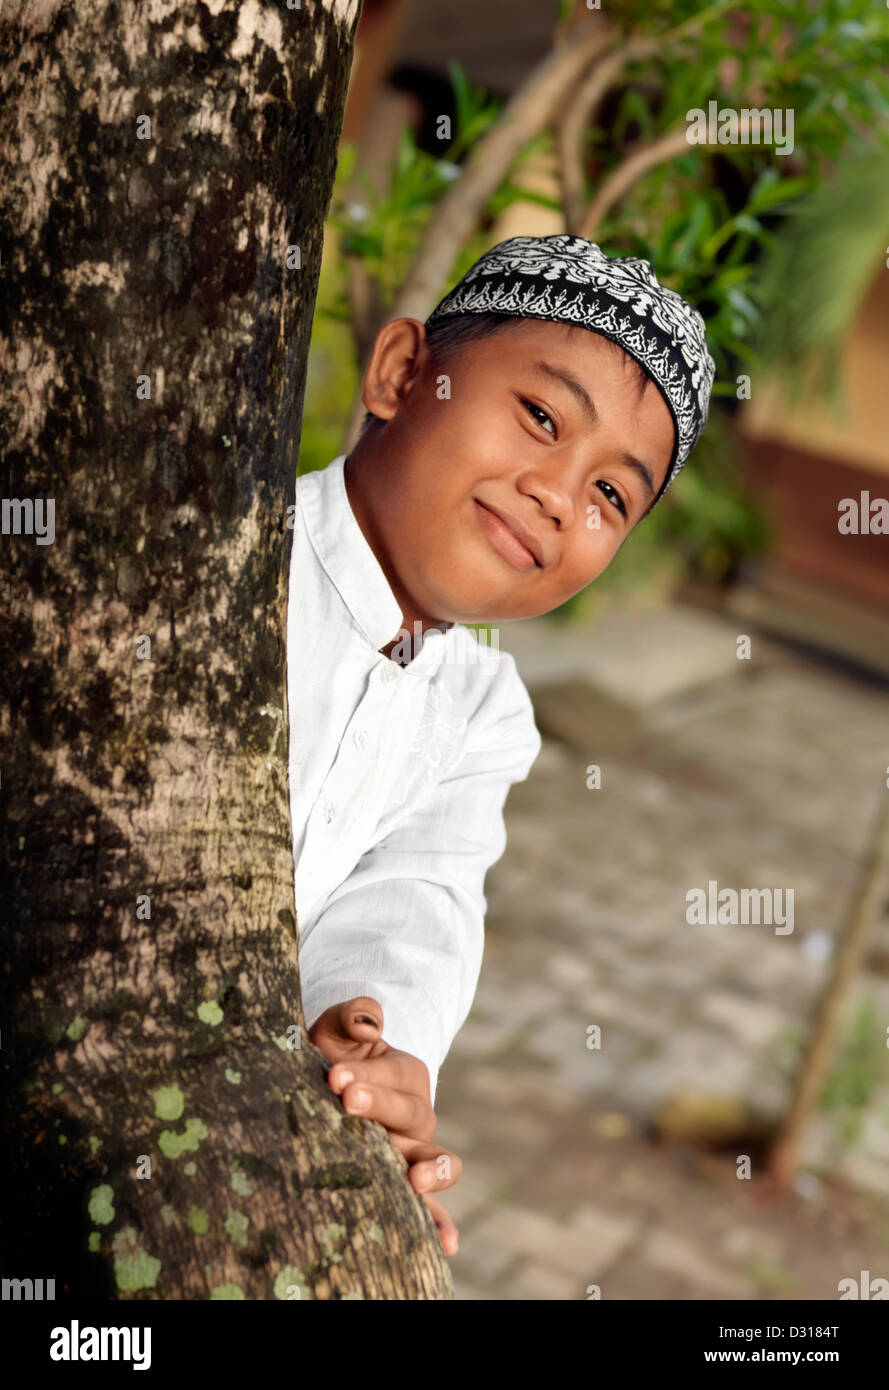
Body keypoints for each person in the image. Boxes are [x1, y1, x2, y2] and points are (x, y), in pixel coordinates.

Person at [287, 233, 715, 1256]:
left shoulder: (482, 706)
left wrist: (378, 1059)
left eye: (611, 494)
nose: (561, 495)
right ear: (401, 374)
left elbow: (418, 903)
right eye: (538, 416)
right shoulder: (225, 553)